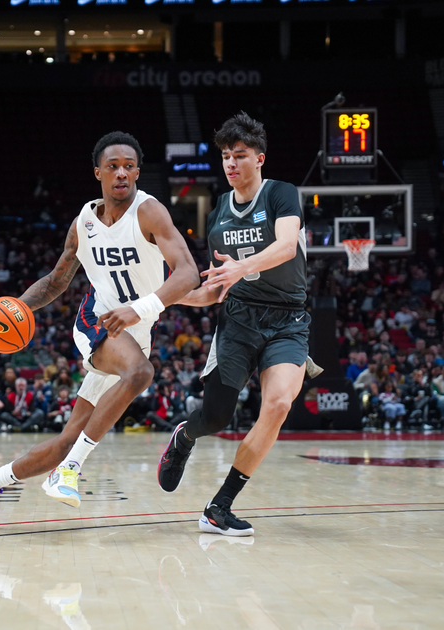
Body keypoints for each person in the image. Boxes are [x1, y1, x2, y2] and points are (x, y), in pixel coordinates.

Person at [0, 131, 199, 530]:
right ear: (98, 173)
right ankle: (70, 470)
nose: (121, 173)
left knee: (66, 440)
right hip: (97, 320)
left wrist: (149, 307)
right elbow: (56, 282)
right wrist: (10, 310)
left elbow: (189, 274)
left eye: (129, 166)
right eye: (113, 166)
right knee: (140, 373)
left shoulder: (149, 212)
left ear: (138, 173)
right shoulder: (84, 223)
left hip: (135, 331)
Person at [156, 112, 318, 537]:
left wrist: (241, 268)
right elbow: (214, 291)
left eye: (240, 155)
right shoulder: (218, 214)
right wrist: (161, 298)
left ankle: (219, 506)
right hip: (239, 320)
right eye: (226, 155)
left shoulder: (281, 194)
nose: (231, 162)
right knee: (216, 418)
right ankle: (184, 437)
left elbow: (286, 246)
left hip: (288, 320)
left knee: (278, 405)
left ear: (259, 158)